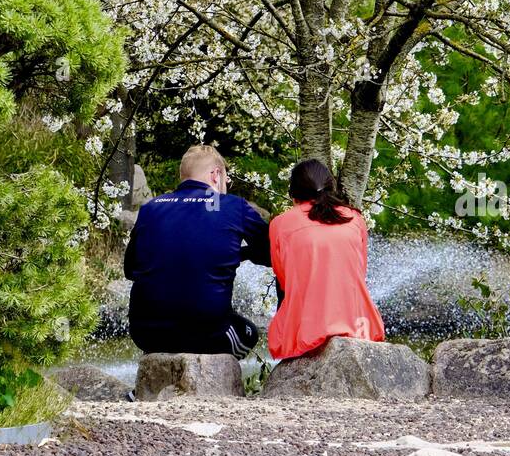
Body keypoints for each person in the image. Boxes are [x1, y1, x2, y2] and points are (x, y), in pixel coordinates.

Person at [124, 143, 270, 358]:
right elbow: (270, 254)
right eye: (226, 177)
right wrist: (242, 254)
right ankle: (212, 384)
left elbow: (130, 270)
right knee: (248, 334)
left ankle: (152, 382)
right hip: (208, 335)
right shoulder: (233, 206)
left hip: (146, 334)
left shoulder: (151, 208)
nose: (227, 183)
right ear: (216, 175)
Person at [267, 157, 384, 361]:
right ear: (331, 187)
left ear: (293, 193)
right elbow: (359, 272)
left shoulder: (280, 224)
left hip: (305, 332)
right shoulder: (355, 219)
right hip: (359, 325)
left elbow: (285, 280)